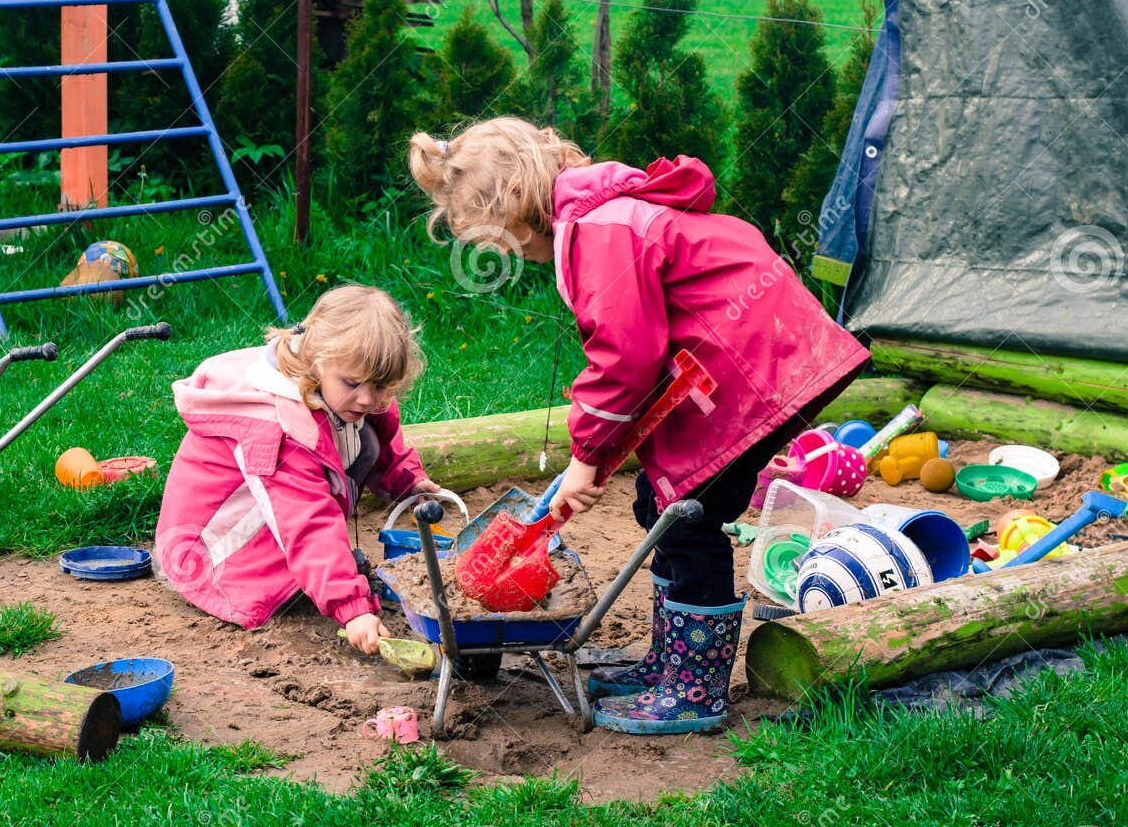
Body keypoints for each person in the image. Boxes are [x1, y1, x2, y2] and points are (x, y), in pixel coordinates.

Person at [409, 117, 869, 733]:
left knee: (689, 517)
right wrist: (602, 452)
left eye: (495, 239)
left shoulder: (598, 232)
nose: (501, 254)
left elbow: (625, 357)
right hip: (746, 358)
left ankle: (696, 690)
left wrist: (585, 455)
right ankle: (670, 661)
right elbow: (640, 359)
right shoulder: (598, 215)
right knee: (659, 505)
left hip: (756, 364)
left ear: (514, 205)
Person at [155, 285, 440, 655]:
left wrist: (406, 479)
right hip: (209, 555)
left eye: (382, 385)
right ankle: (293, 578)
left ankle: (319, 573)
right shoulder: (280, 428)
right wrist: (351, 606)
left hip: (278, 514)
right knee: (310, 525)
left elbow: (383, 428)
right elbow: (308, 519)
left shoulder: (342, 387)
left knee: (367, 427)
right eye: (354, 384)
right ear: (316, 360)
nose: (369, 398)